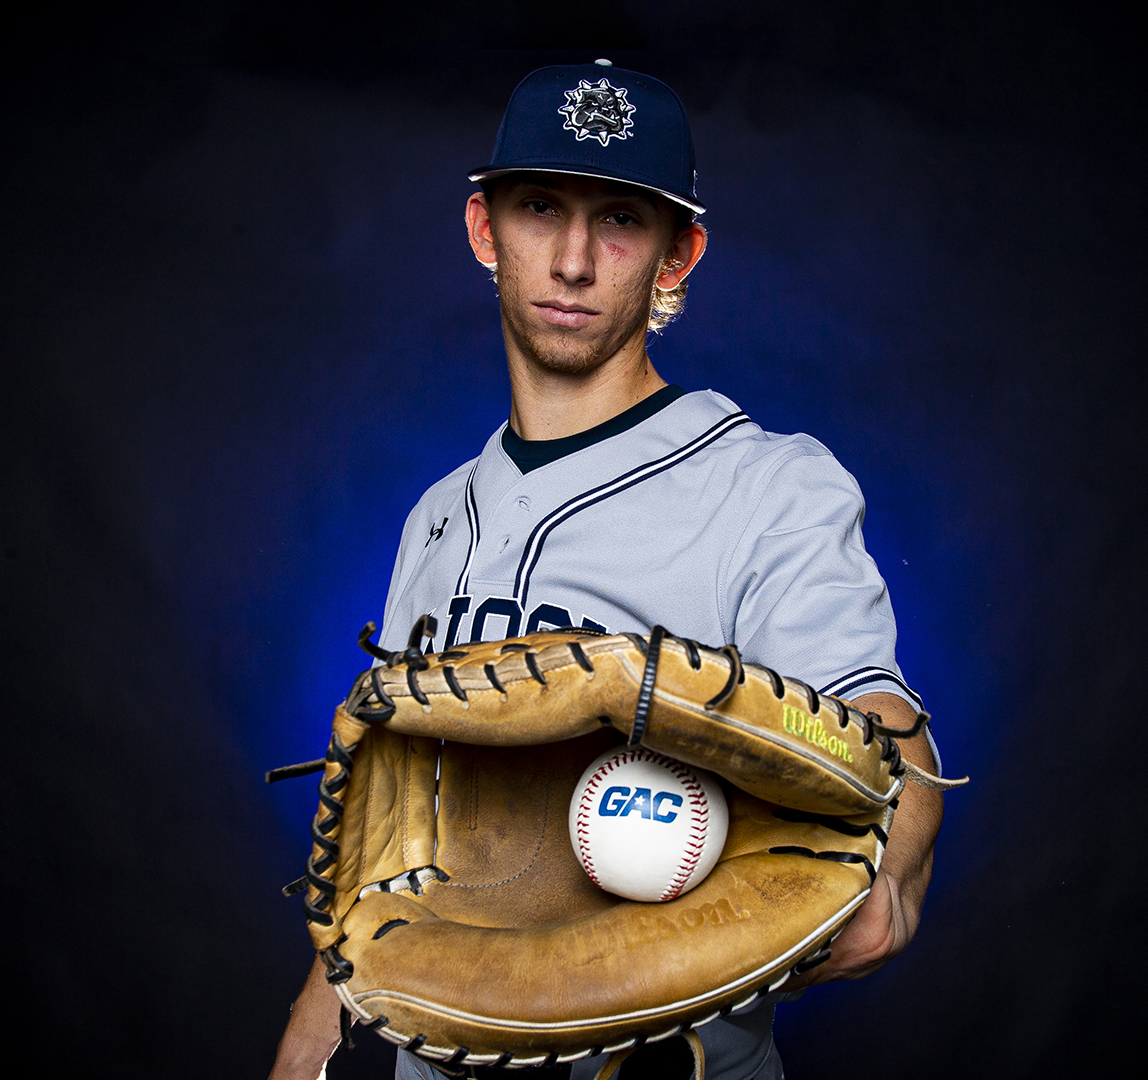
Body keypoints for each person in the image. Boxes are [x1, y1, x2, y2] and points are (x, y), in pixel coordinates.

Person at [268, 61, 947, 1080]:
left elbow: (882, 726)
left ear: (679, 254)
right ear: (484, 232)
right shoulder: (434, 520)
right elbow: (379, 876)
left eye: (620, 218)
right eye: (540, 208)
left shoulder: (768, 488)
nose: (575, 259)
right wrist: (302, 1048)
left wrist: (890, 872)